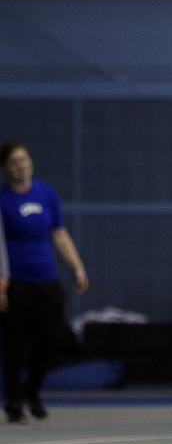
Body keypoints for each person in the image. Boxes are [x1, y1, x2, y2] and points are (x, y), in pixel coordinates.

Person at [1, 141, 89, 424]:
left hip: (45, 277)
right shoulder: (3, 199)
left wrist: (76, 266)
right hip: (15, 280)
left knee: (52, 338)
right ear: (6, 168)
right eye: (14, 162)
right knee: (15, 344)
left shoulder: (46, 194)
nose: (21, 166)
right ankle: (13, 402)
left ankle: (32, 390)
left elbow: (58, 233)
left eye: (24, 159)